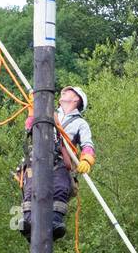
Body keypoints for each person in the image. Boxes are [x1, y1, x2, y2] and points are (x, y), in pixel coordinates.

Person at [17, 85, 95, 241]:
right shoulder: (47, 112)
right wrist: (34, 109)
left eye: (69, 91)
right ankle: (27, 220)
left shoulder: (80, 124)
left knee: (60, 186)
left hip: (60, 160)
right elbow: (29, 127)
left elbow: (87, 145)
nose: (64, 92)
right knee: (31, 186)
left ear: (76, 99)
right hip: (38, 156)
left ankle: (55, 221)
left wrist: (86, 159)